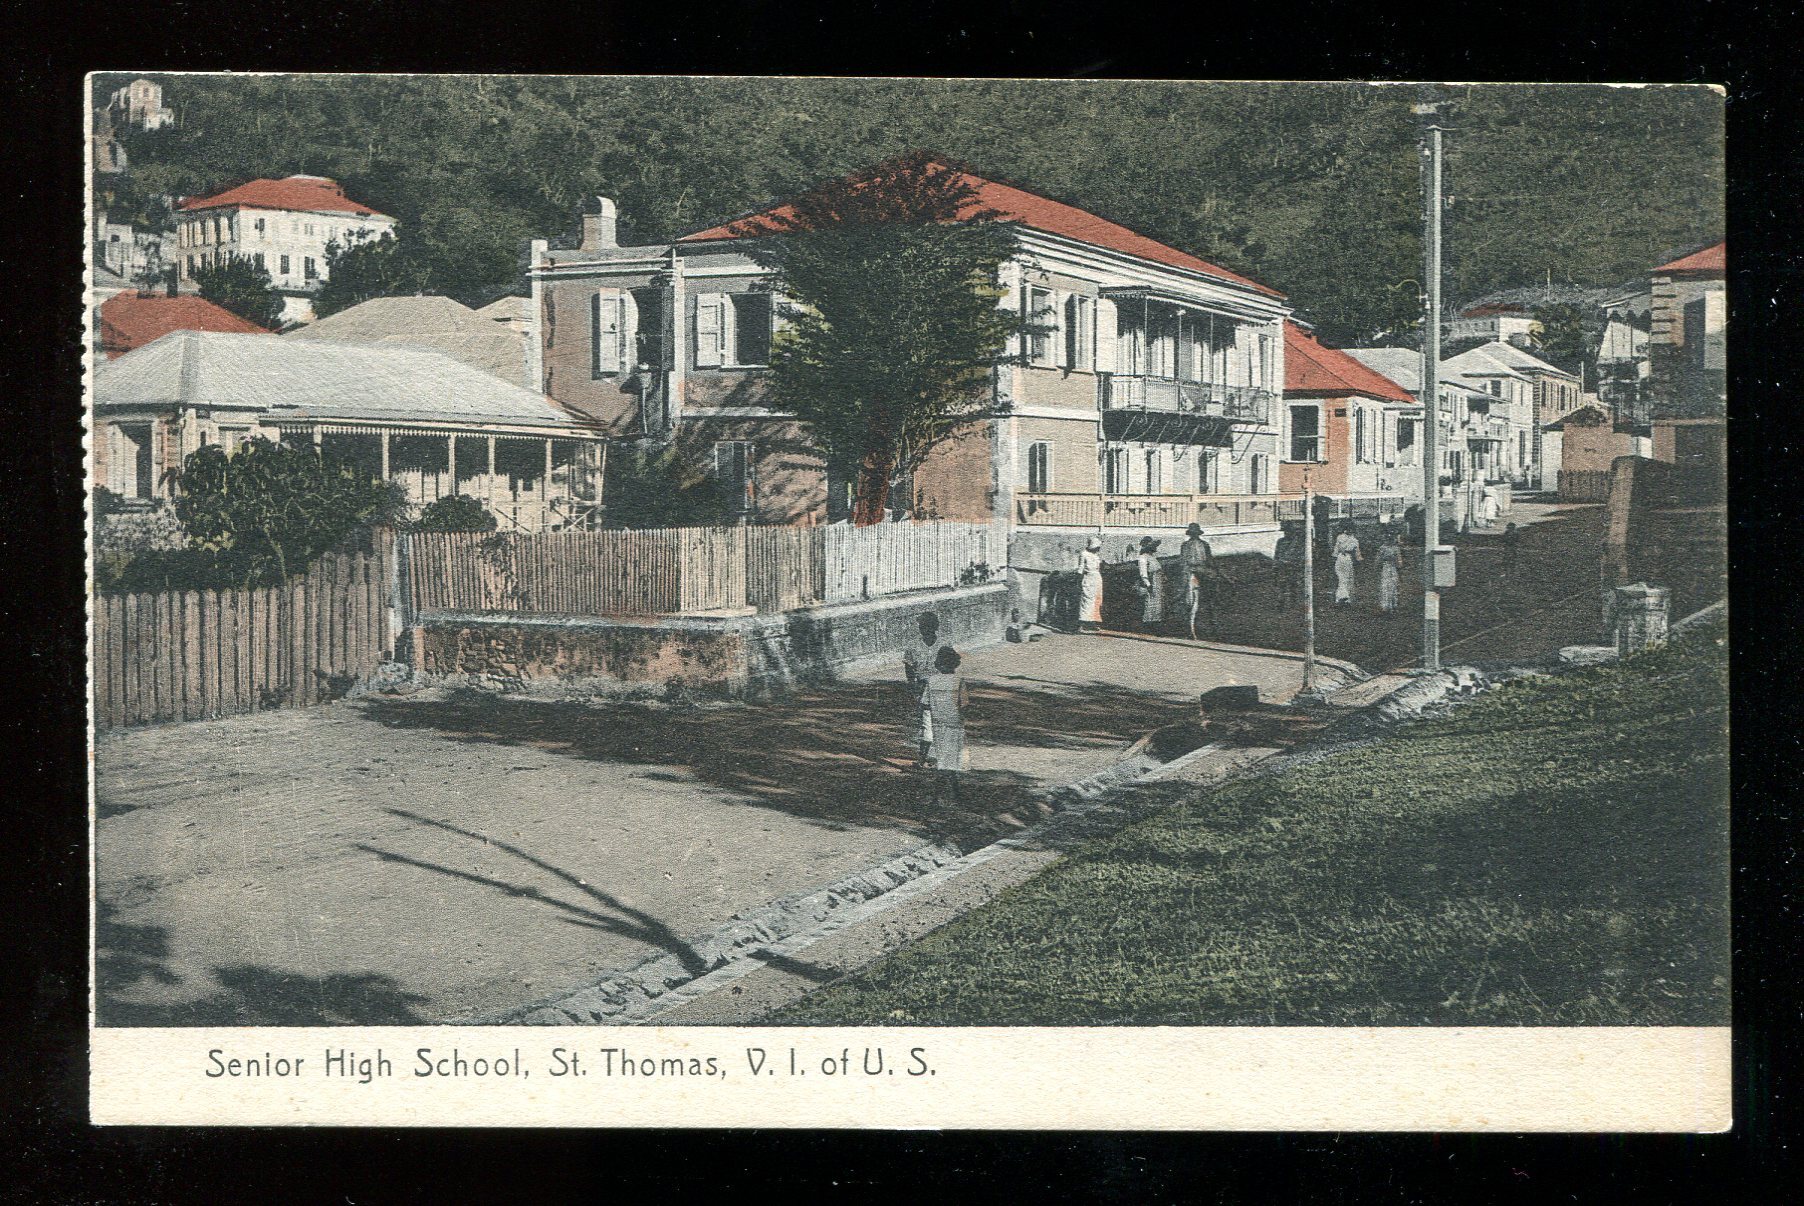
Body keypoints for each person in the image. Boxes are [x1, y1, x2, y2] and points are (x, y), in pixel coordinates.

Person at [920, 644, 969, 803]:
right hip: (955, 726)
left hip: (938, 726)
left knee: (944, 761)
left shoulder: (931, 681)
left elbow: (925, 704)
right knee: (950, 763)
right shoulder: (959, 682)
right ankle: (950, 796)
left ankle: (944, 796)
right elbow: (964, 706)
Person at [901, 613, 942, 754]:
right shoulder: (913, 646)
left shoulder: (943, 644)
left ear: (934, 627)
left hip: (936, 686)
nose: (922, 629)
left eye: (924, 626)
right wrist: (912, 685)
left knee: (929, 721)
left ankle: (925, 757)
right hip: (924, 686)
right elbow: (909, 668)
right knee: (928, 720)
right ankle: (928, 755)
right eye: (921, 626)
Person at [1178, 522, 1215, 637]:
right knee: (1193, 602)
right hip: (1193, 575)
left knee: (1205, 600)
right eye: (1193, 534)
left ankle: (1206, 627)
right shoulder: (1186, 546)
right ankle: (1191, 629)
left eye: (1195, 534)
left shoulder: (1204, 545)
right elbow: (1183, 563)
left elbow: (1209, 561)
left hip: (1201, 574)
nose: (1194, 536)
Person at [1135, 536, 1164, 630]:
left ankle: (1156, 624)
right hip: (1151, 582)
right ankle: (1148, 625)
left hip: (1157, 582)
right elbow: (1143, 572)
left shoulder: (1152, 558)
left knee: (1157, 604)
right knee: (1150, 603)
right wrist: (1148, 584)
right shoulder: (1143, 558)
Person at [1272, 521, 1303, 608]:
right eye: (1285, 531)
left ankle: (1293, 603)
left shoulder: (1297, 543)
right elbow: (1276, 555)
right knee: (1282, 586)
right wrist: (1275, 567)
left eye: (1288, 531)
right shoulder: (1280, 541)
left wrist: (1298, 564)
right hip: (1282, 567)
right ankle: (1281, 603)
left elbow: (1300, 555)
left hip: (1293, 566)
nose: (1286, 533)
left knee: (1293, 585)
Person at [1077, 537, 1104, 632]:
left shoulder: (1096, 556)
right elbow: (1080, 569)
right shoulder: (1083, 554)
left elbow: (1098, 568)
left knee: (1097, 601)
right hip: (1088, 579)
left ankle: (1092, 623)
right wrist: (1079, 581)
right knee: (1086, 601)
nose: (1098, 549)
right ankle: (1082, 624)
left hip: (1097, 579)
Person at [1332, 524, 1362, 607]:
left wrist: (1334, 558)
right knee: (1346, 577)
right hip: (1346, 559)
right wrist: (1359, 561)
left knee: (1342, 577)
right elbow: (1358, 554)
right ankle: (1344, 597)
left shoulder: (1340, 537)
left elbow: (1335, 550)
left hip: (1341, 558)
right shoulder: (1354, 540)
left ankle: (1342, 597)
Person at [1376, 526, 1402, 613]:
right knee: (1390, 586)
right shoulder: (1391, 548)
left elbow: (1377, 561)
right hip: (1390, 568)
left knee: (1389, 586)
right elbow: (1400, 563)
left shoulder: (1386, 548)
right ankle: (1390, 605)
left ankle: (1389, 605)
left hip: (1389, 568)